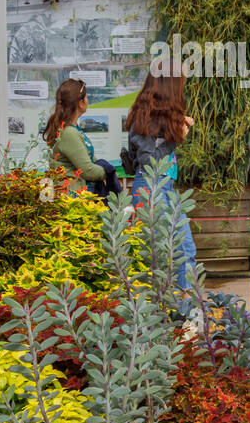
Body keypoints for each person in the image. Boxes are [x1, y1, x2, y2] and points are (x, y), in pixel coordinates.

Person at [123, 64, 198, 290]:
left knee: (185, 250)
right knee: (172, 254)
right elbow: (149, 161)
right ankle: (177, 313)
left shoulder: (156, 117)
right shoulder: (143, 119)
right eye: (180, 85)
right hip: (152, 189)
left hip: (164, 188)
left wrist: (177, 127)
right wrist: (177, 139)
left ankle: (184, 311)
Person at [44, 78, 123, 200]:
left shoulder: (72, 129)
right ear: (80, 103)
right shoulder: (69, 132)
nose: (88, 100)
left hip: (76, 193)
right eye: (86, 97)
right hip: (73, 196)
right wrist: (109, 172)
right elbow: (88, 171)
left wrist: (106, 169)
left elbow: (89, 159)